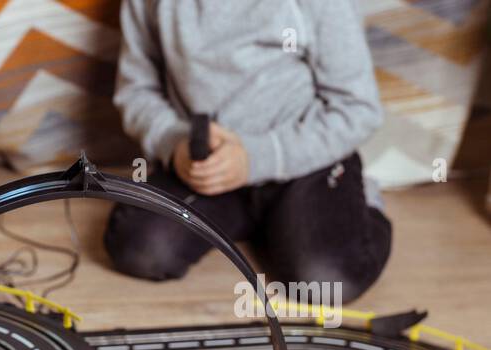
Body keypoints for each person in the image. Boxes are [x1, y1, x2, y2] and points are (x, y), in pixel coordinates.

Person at [103, 0, 392, 305]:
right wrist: (174, 145)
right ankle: (265, 222)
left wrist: (256, 159)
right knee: (141, 250)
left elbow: (359, 109)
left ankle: (354, 203)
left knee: (326, 279)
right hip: (208, 160)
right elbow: (136, 91)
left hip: (303, 159)